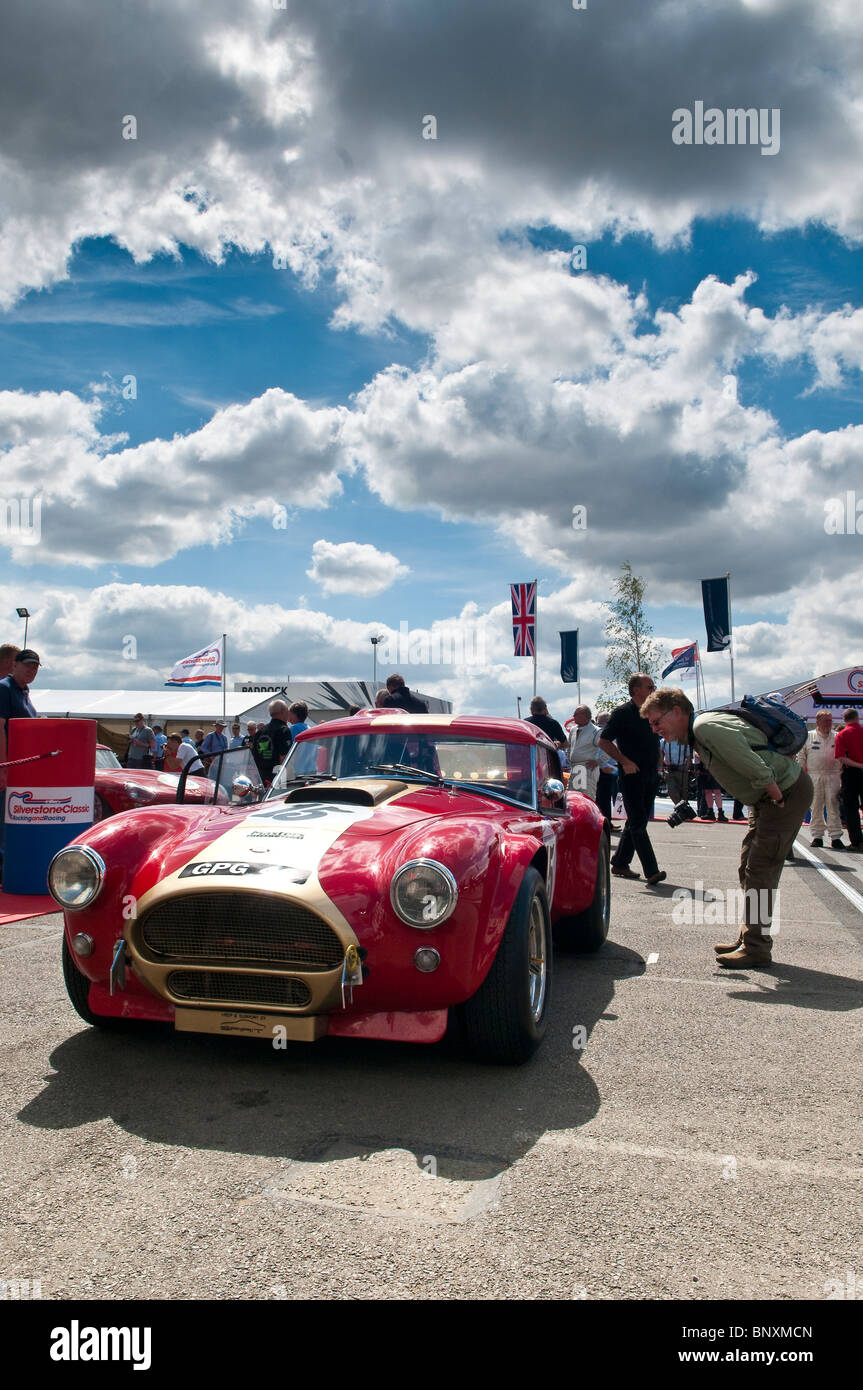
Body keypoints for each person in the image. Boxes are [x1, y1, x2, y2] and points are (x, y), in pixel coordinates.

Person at [641, 686, 813, 968]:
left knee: (761, 869)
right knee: (749, 867)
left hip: (781, 794)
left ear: (676, 712)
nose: (654, 729)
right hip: (768, 798)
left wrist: (776, 796)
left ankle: (757, 948)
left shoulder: (706, 728)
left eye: (656, 721)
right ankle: (749, 938)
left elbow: (751, 763)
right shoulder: (699, 732)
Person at [598, 674, 665, 885]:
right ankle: (651, 870)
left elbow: (656, 741)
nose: (654, 689)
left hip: (651, 774)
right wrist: (624, 761)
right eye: (649, 686)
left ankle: (620, 861)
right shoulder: (622, 713)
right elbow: (603, 741)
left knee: (639, 820)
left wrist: (661, 766)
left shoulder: (652, 713)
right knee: (637, 823)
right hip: (631, 775)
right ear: (636, 690)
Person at [0, 648, 40, 881]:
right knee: (3, 821)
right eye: (27, 665)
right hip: (9, 768)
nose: (31, 670)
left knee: (10, 819)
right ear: (14, 665)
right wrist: (3, 767)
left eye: (35, 667)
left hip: (22, 772)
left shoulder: (24, 692)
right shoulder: (4, 689)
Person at [801, 710, 843, 849]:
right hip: (814, 775)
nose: (829, 723)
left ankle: (836, 836)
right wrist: (800, 776)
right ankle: (817, 836)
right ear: (818, 721)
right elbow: (801, 757)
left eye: (830, 721)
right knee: (816, 806)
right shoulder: (809, 737)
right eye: (826, 720)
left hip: (834, 775)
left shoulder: (837, 737)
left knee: (834, 806)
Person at [835, 708, 863, 852]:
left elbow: (841, 757)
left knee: (851, 809)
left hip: (851, 773)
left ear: (844, 720)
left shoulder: (842, 734)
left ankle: (857, 842)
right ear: (857, 718)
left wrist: (858, 765)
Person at [251, 698, 293, 784]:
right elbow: (284, 757)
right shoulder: (283, 730)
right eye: (287, 710)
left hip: (261, 778)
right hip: (277, 780)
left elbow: (254, 756)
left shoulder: (260, 732)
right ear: (283, 711)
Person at [566, 705, 601, 799]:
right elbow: (569, 746)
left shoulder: (596, 731)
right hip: (574, 768)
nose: (573, 715)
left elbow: (608, 749)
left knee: (586, 797)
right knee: (571, 798)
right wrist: (569, 757)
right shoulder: (573, 730)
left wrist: (598, 761)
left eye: (576, 714)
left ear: (585, 716)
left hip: (586, 768)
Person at [594, 712, 618, 823]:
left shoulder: (593, 731)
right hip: (606, 769)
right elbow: (603, 751)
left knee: (600, 798)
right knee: (605, 798)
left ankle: (602, 820)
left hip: (596, 769)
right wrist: (604, 765)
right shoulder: (605, 733)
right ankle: (607, 822)